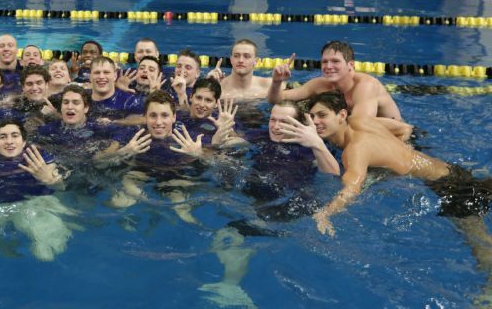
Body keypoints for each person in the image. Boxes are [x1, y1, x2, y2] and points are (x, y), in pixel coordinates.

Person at [296, 91, 491, 236]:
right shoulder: (361, 120)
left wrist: (326, 213)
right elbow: (405, 128)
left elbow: (352, 188)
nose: (316, 122)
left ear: (341, 115)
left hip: (447, 188)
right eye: (312, 117)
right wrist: (399, 157)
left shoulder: (354, 150)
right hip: (450, 170)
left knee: (480, 246)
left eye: (322, 115)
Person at [0, 120, 73, 265]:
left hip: (35, 202)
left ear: (23, 142)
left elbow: (61, 187)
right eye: (3, 137)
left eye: (15, 135)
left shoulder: (40, 157)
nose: (9, 141)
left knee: (48, 252)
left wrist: (50, 180)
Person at [97, 91, 211, 224]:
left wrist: (199, 154)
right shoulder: (132, 136)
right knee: (120, 202)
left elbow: (219, 159)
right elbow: (98, 160)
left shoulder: (188, 139)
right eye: (153, 115)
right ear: (145, 117)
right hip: (140, 174)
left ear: (174, 117)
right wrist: (124, 151)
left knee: (181, 210)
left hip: (176, 177)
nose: (158, 122)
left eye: (164, 115)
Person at [268, 41, 403, 120]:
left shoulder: (366, 86)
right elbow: (277, 100)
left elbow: (361, 127)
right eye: (324, 62)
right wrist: (276, 82)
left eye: (335, 61)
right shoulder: (319, 85)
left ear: (351, 65)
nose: (328, 66)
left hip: (395, 139)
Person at [207, 39, 276, 100]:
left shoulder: (268, 85)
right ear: (231, 60)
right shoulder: (219, 88)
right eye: (236, 56)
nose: (240, 60)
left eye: (246, 56)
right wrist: (207, 84)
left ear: (256, 61)